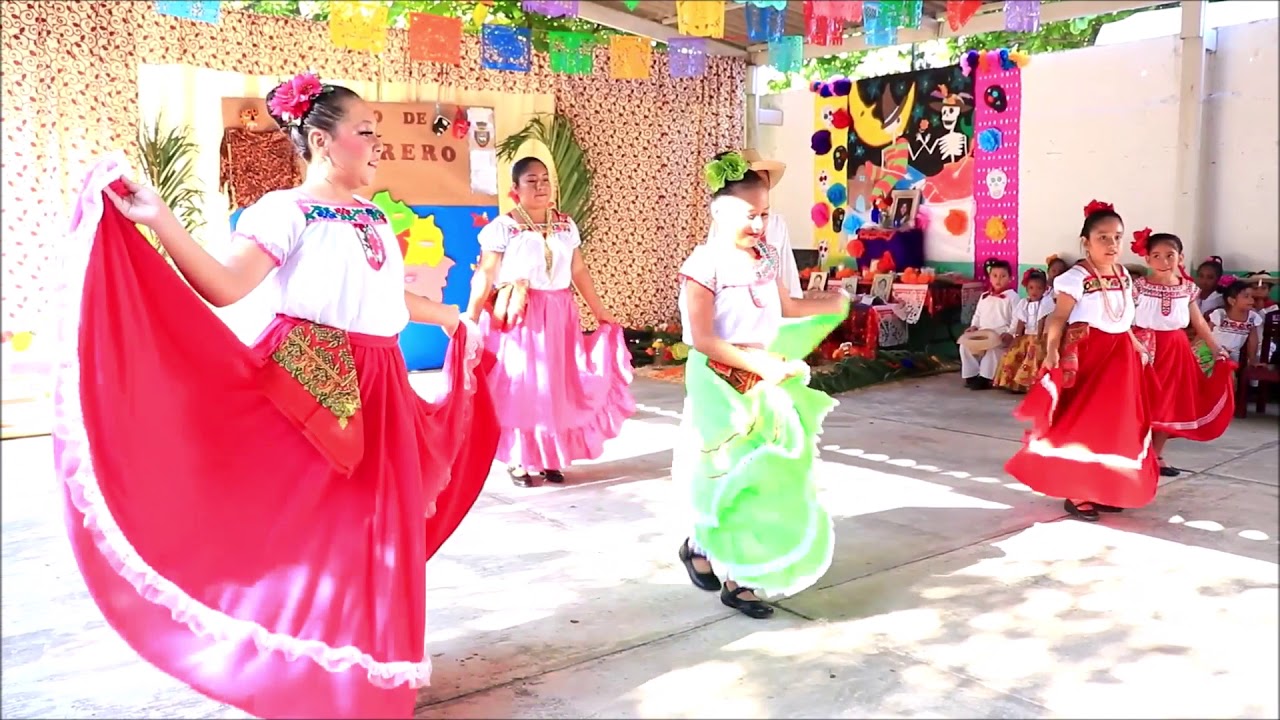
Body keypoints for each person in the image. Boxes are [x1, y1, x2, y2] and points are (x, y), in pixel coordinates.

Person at [53, 74, 500, 719]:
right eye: (366, 131)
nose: (378, 144)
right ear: (321, 141)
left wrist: (451, 319)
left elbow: (385, 299)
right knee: (325, 535)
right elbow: (226, 286)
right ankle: (318, 679)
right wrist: (161, 219)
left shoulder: (373, 214)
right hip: (314, 382)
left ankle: (366, 678)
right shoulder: (284, 211)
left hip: (381, 383)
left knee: (379, 536)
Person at [674, 151, 848, 619]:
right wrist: (760, 365)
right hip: (718, 379)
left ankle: (740, 578)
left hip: (762, 374)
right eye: (750, 215)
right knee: (726, 469)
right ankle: (702, 545)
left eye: (765, 215)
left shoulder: (766, 257)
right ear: (719, 211)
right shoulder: (704, 264)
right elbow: (704, 339)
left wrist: (835, 303)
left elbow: (788, 307)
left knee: (763, 474)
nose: (759, 224)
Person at [466, 157, 633, 487]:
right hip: (521, 314)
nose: (540, 186)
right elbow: (486, 272)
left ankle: (548, 456)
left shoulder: (565, 225)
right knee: (523, 384)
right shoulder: (503, 227)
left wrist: (600, 311)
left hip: (559, 313)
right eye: (531, 180)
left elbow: (577, 270)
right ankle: (519, 457)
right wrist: (470, 316)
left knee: (556, 384)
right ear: (515, 188)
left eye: (544, 179)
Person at [1005, 200, 1159, 523]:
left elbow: (1122, 321)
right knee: (1083, 422)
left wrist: (1136, 347)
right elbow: (1058, 318)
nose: (1111, 244)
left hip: (1120, 358)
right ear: (1086, 242)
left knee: (1114, 424)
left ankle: (1101, 488)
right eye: (1103, 237)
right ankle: (1076, 492)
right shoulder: (1075, 278)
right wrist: (1051, 351)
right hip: (1088, 357)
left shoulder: (1123, 275)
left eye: (1117, 237)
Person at [1131, 230, 1234, 478]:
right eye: (1156, 255)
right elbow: (1123, 319)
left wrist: (1214, 347)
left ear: (1181, 258)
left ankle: (1156, 455)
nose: (1164, 261)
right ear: (1147, 259)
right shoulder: (1138, 287)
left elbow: (1198, 321)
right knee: (1141, 401)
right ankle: (1135, 453)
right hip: (1143, 348)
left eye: (1170, 255)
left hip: (1175, 349)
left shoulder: (1187, 288)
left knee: (1169, 403)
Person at [706, 149, 803, 299]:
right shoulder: (725, 225)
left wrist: (793, 300)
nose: (759, 225)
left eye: (764, 181)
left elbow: (787, 270)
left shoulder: (777, 224)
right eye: (755, 179)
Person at [959, 258, 1019, 390]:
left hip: (999, 334)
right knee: (964, 345)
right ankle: (971, 374)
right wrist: (974, 326)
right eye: (995, 276)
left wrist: (1010, 333)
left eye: (1003, 276)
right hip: (982, 333)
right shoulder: (984, 296)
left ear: (1010, 278)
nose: (998, 279)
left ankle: (985, 377)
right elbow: (977, 315)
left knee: (993, 348)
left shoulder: (1013, 297)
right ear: (990, 278)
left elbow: (1016, 318)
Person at [994, 269, 1055, 393]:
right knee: (1013, 352)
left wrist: (1038, 338)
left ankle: (1029, 384)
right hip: (1026, 335)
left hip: (1040, 335)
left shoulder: (1045, 302)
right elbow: (1021, 321)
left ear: (1044, 289)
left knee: (1033, 352)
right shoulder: (1023, 303)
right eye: (1031, 288)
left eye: (1039, 288)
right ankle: (1011, 382)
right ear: (1026, 289)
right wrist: (1017, 336)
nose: (1034, 291)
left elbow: (1041, 321)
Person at [1205, 280, 1263, 366]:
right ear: (1232, 301)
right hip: (1210, 351)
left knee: (1228, 370)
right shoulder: (1220, 314)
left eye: (1252, 297)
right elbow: (1204, 332)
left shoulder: (1252, 318)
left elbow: (1252, 341)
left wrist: (1252, 360)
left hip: (1232, 356)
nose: (1251, 300)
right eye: (1246, 296)